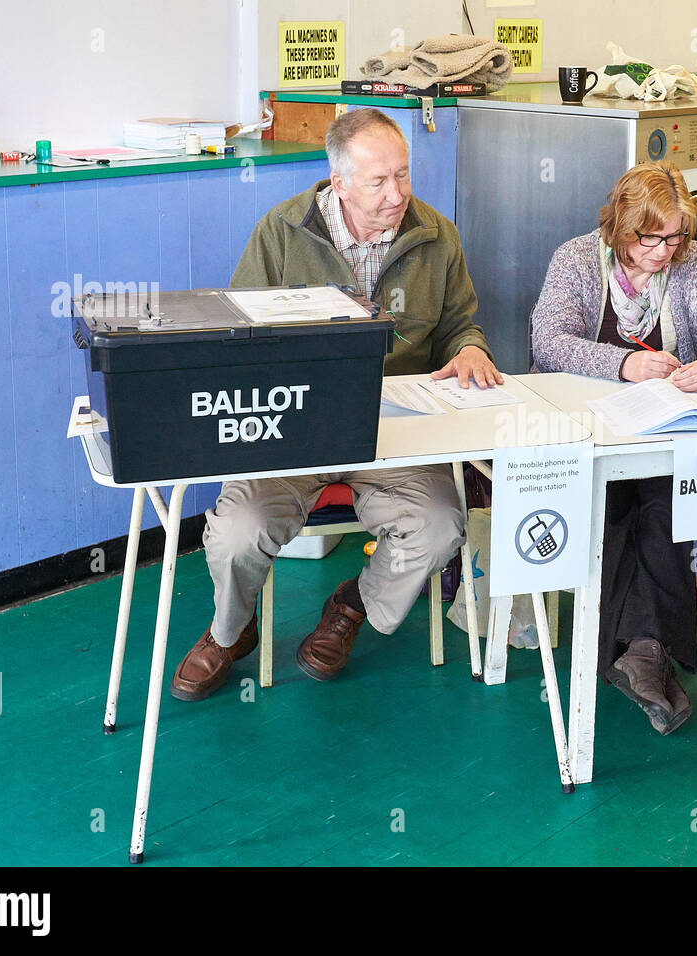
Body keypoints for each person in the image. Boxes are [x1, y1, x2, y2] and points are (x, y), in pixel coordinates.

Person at [171, 108, 502, 701]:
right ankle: (230, 632)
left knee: (439, 524)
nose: (398, 194)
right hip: (293, 425)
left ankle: (352, 605)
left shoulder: (437, 236)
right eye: (379, 181)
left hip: (392, 431)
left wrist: (471, 348)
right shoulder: (281, 232)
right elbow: (237, 332)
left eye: (403, 176)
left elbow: (459, 325)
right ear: (339, 182)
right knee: (237, 532)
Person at [530, 161, 697, 734]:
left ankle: (639, 654)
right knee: (615, 504)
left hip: (657, 430)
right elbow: (548, 341)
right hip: (581, 428)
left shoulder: (693, 263)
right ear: (620, 227)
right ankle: (648, 655)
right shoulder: (578, 260)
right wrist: (626, 363)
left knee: (667, 504)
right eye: (649, 237)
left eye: (675, 236)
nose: (664, 250)